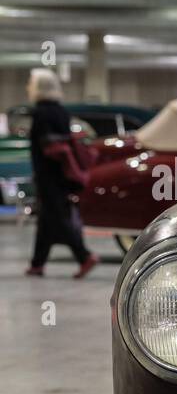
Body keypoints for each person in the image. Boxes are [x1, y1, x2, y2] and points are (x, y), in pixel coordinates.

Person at [24, 68, 98, 278]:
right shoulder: (61, 111)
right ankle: (37, 264)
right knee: (46, 219)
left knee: (56, 216)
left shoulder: (40, 113)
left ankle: (84, 255)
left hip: (48, 175)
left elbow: (47, 145)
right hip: (64, 173)